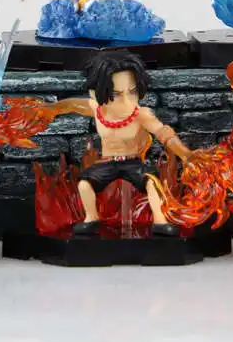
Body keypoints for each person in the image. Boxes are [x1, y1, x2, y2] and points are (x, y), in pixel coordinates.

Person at [51, 50, 191, 236]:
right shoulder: (97, 109)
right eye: (116, 94)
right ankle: (91, 218)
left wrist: (186, 154)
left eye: (132, 92)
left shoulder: (141, 115)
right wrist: (47, 109)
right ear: (95, 94)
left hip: (133, 162)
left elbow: (164, 134)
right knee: (84, 184)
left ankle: (159, 221)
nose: (127, 101)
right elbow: (70, 105)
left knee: (152, 182)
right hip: (108, 162)